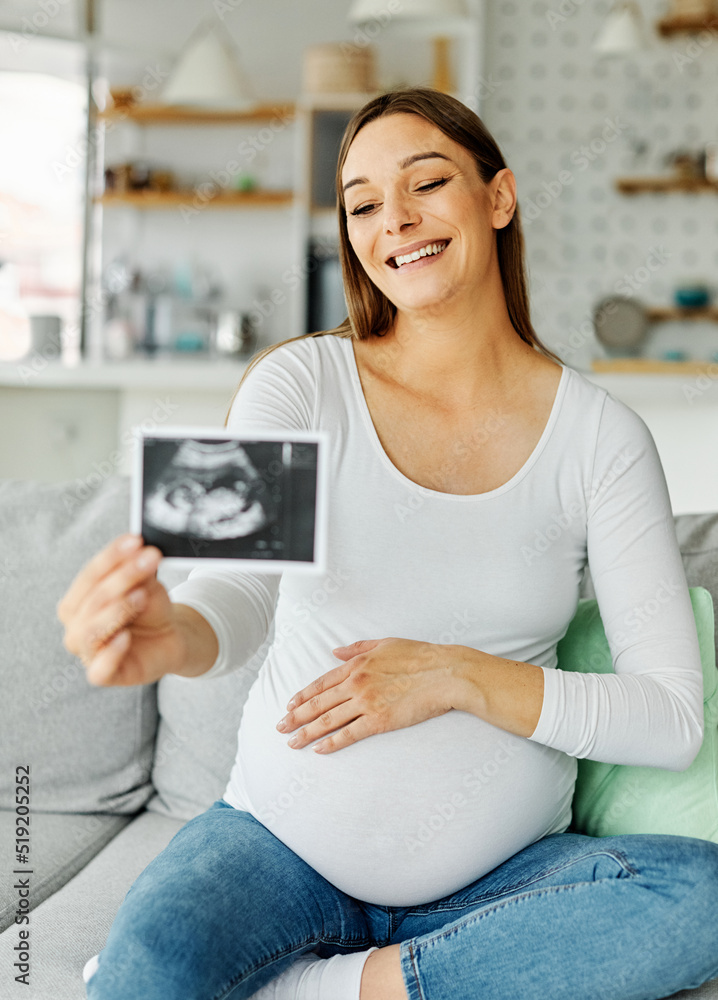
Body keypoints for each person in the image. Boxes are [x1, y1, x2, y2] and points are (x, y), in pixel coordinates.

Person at [57, 87, 718, 1000]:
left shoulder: (600, 439)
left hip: (502, 880)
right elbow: (239, 594)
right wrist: (176, 631)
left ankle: (329, 988)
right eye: (362, 203)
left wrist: (458, 675)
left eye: (426, 183)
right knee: (138, 979)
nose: (394, 219)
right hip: (278, 845)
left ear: (498, 197)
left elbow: (672, 717)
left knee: (702, 899)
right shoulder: (300, 384)